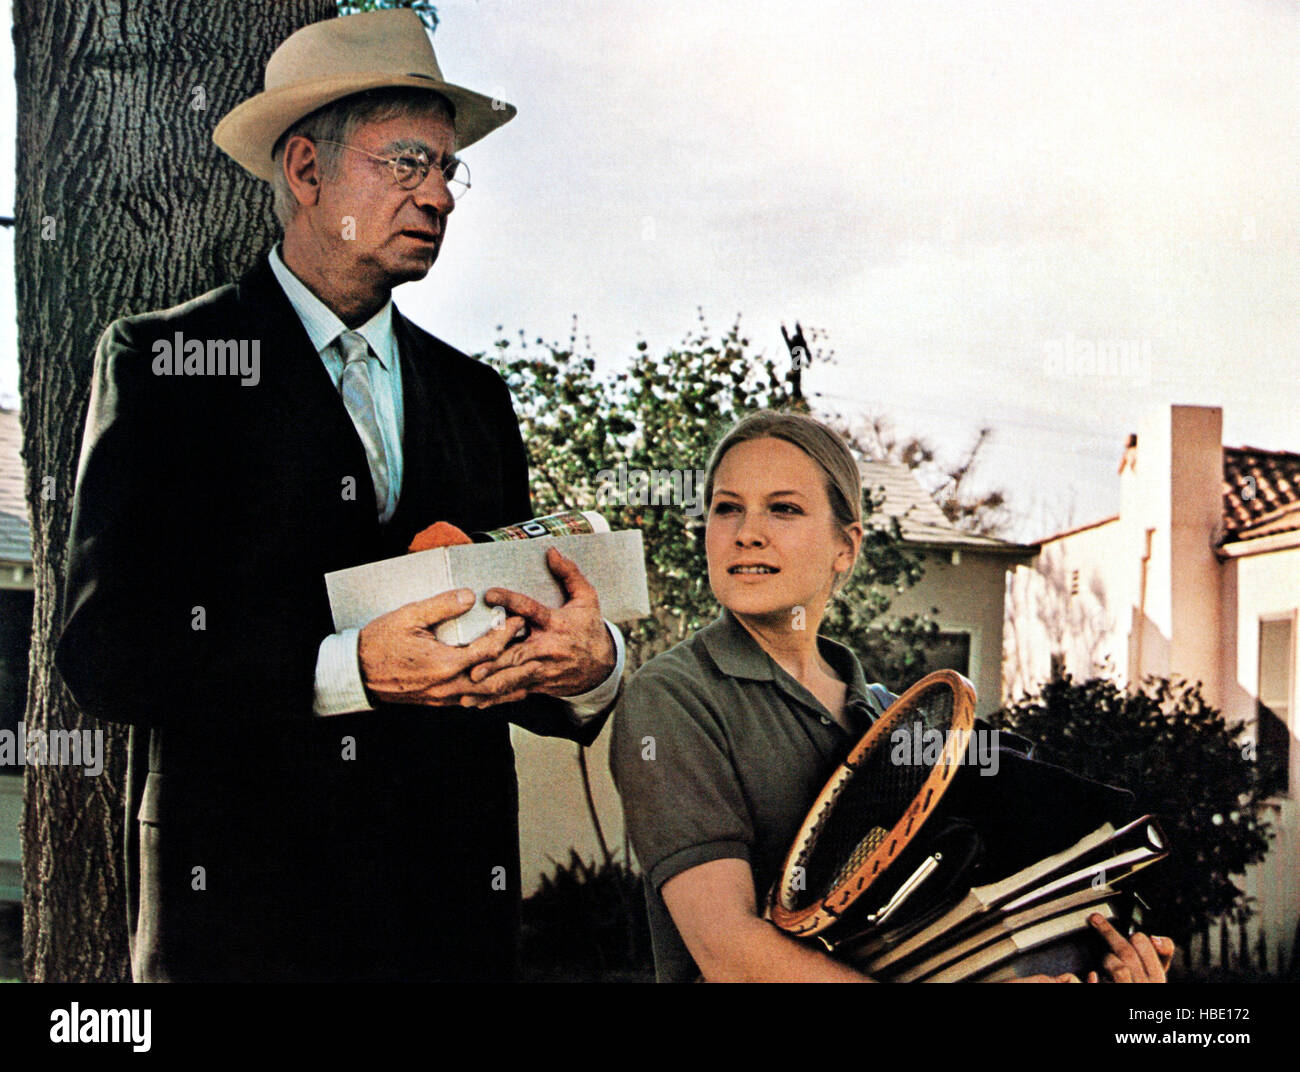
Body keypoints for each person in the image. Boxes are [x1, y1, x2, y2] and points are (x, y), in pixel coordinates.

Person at [55, 10, 625, 982]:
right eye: (406, 163)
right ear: (306, 173)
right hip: (248, 929)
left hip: (452, 930)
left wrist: (588, 668)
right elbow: (108, 649)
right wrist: (349, 668)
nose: (438, 196)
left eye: (449, 170)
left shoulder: (475, 398)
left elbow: (499, 630)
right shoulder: (164, 363)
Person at [610, 410, 1173, 982]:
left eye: (783, 508)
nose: (746, 532)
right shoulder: (673, 699)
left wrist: (1105, 964)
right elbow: (728, 952)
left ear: (845, 547)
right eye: (726, 507)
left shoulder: (896, 716)